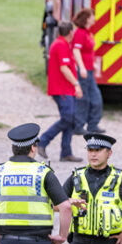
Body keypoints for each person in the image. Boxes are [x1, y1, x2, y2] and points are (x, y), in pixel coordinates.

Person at [38, 22, 82, 163]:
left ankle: (66, 152)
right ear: (71, 32)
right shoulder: (61, 45)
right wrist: (76, 84)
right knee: (68, 118)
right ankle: (43, 141)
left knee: (71, 119)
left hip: (66, 89)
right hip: (62, 89)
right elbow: (64, 68)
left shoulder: (62, 44)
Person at [71, 8, 105, 134]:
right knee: (83, 99)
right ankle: (78, 126)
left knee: (96, 98)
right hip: (83, 72)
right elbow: (76, 50)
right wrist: (81, 67)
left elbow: (88, 51)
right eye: (92, 16)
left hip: (89, 71)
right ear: (87, 19)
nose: (94, 18)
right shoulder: (80, 33)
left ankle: (93, 124)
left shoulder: (87, 33)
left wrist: (93, 64)